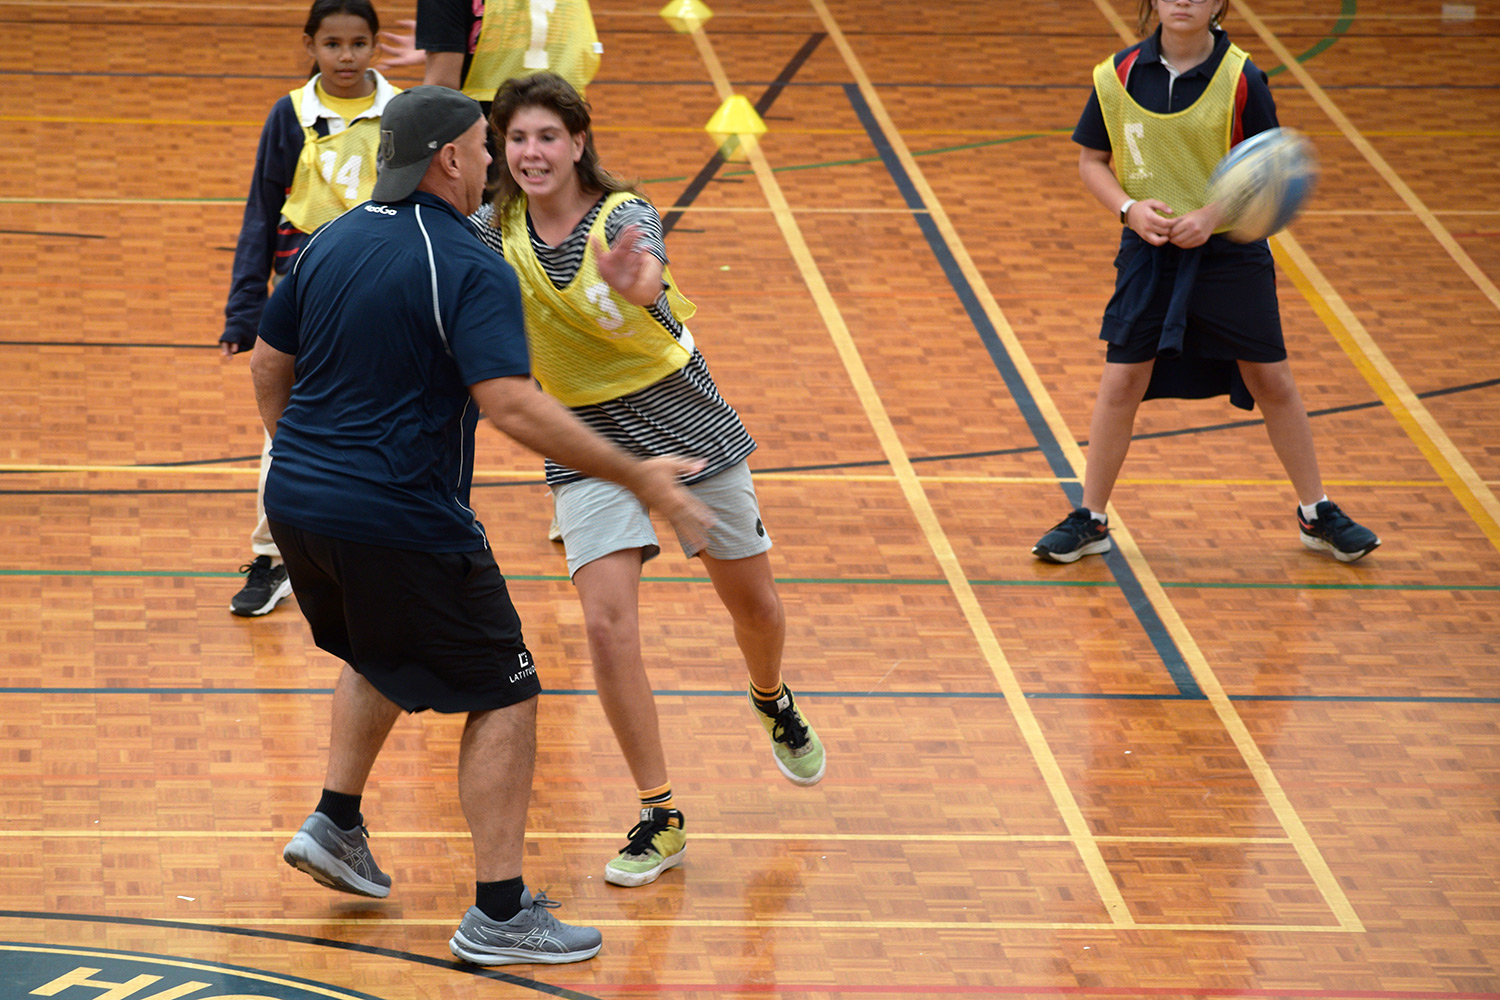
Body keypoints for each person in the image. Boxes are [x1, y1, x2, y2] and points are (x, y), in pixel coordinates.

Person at [254, 85, 712, 966]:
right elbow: (511, 403)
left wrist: (309, 461)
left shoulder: (328, 240)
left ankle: (336, 823)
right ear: (451, 159)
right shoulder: (468, 262)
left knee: (379, 647)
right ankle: (500, 913)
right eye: (485, 145)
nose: (497, 160)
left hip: (301, 506)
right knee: (507, 691)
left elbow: (271, 363)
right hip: (401, 514)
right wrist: (635, 472)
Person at [472, 72, 827, 891]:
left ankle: (770, 696)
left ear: (578, 142)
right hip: (585, 439)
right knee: (605, 627)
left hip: (683, 418)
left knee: (755, 607)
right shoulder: (492, 231)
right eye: (517, 138)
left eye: (547, 136)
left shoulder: (622, 216)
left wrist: (640, 285)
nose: (531, 152)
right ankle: (660, 812)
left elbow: (649, 269)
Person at [1031, 0, 1380, 565]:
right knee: (1122, 381)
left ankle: (1316, 513)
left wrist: (1212, 215)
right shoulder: (1115, 75)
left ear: (1219, 2)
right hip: (1149, 253)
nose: (1184, 0)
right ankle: (1090, 519)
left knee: (1271, 380)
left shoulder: (1243, 78)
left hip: (1230, 254)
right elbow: (1092, 160)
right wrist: (1128, 210)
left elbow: (1272, 168)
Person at [220, 0, 400, 617]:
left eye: (358, 43)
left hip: (383, 294)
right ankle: (272, 557)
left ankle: (378, 551)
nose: (346, 56)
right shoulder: (290, 113)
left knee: (386, 423)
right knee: (287, 425)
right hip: (307, 296)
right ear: (310, 46)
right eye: (332, 44)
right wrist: (245, 308)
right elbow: (261, 209)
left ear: (377, 45)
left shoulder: (401, 112)